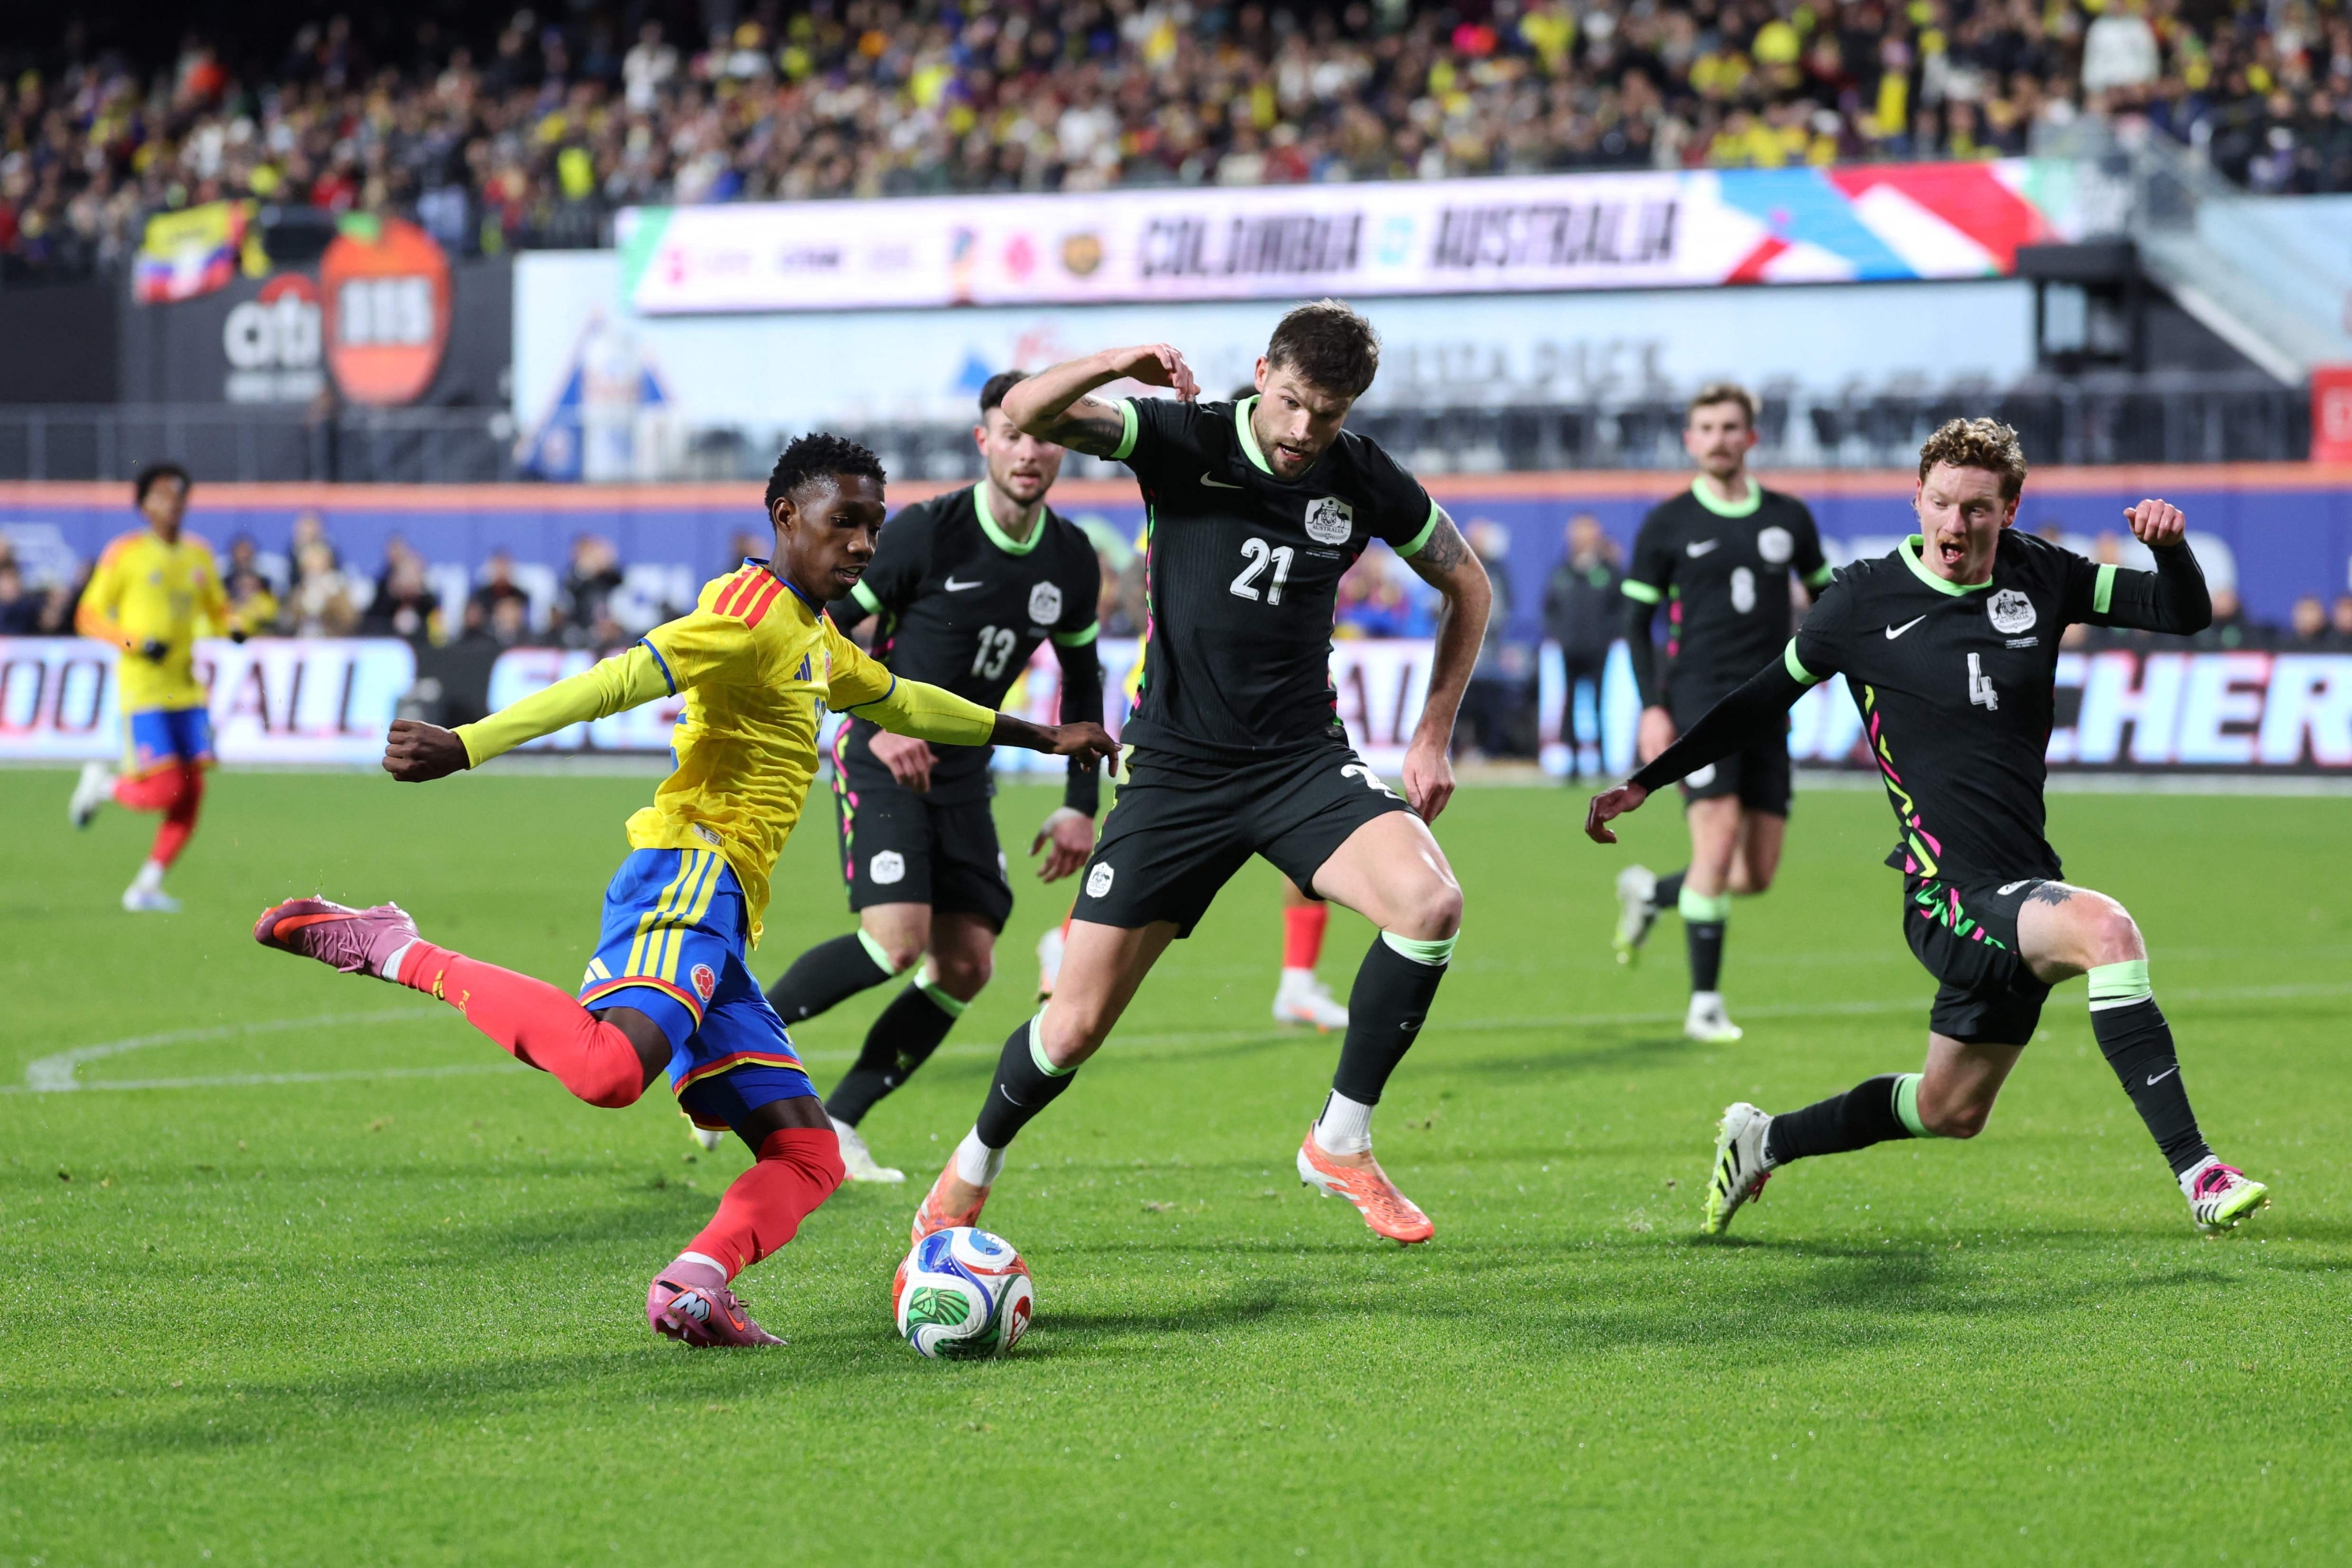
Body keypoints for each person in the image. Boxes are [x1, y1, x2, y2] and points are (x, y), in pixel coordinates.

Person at [251, 434, 1117, 1348]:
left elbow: (904, 700)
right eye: (844, 522)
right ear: (786, 517)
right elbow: (617, 678)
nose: (863, 545)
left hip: (726, 910)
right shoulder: (749, 610)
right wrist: (467, 742)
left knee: (808, 1151)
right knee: (608, 1069)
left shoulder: (816, 636)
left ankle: (694, 1282)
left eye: (873, 525)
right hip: (687, 869)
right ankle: (395, 945)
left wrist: (1039, 733)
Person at [1584, 419, 2270, 1239]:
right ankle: (2200, 1171)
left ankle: (1764, 1138)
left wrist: (2172, 550)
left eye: (1977, 509)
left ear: (2010, 508)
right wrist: (1647, 781)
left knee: (1950, 1108)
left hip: (2018, 878)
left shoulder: (2042, 575)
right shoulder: (1861, 599)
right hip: (1947, 891)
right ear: (1916, 498)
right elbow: (1760, 698)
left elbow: (2179, 611)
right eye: (1940, 503)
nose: (1955, 524)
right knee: (2108, 930)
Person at [909, 300, 1492, 1250]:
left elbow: (1468, 582)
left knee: (1430, 908)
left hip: (1302, 761)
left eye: (1331, 413)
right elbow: (1030, 406)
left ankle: (1340, 1138)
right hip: (1175, 769)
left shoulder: (1362, 475)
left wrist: (1432, 735)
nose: (1307, 431)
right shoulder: (1186, 437)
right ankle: (972, 1163)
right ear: (1263, 372)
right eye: (1296, 402)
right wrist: (1114, 359)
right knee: (1072, 1027)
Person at [757, 372, 1107, 1183]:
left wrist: (1078, 807)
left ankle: (839, 1123)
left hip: (963, 771)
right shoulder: (925, 532)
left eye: (1044, 435)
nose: (1029, 451)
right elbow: (820, 625)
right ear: (984, 442)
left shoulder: (1071, 557)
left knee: (966, 964)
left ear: (1063, 446)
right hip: (883, 756)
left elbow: (1080, 685)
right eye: (1013, 434)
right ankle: (735, 1048)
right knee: (896, 940)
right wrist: (871, 726)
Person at [1612, 383, 1831, 1044]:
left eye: (1730, 426)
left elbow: (1826, 598)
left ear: (1750, 438)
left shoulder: (1790, 517)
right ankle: (1704, 1003)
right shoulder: (1668, 522)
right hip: (1700, 701)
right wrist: (1654, 705)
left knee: (1754, 872)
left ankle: (1653, 895)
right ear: (1690, 439)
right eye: (1705, 427)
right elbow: (1636, 622)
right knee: (1715, 842)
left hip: (1771, 700)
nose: (1717, 437)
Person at [67, 463, 249, 911]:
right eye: (165, 494)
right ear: (145, 504)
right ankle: (104, 786)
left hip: (187, 690)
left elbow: (217, 609)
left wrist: (235, 625)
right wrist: (133, 642)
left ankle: (146, 886)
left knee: (192, 793)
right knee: (164, 790)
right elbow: (88, 615)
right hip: (144, 690)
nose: (175, 502)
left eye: (181, 494)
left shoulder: (198, 555)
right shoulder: (125, 553)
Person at [1543, 514, 1621, 779]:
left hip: (1598, 648)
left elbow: (1620, 607)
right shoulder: (1563, 572)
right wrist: (1559, 635)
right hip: (1570, 648)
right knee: (1571, 704)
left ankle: (1601, 760)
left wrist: (1608, 635)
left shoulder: (1608, 571)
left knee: (1600, 704)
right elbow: (1549, 607)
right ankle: (1573, 760)